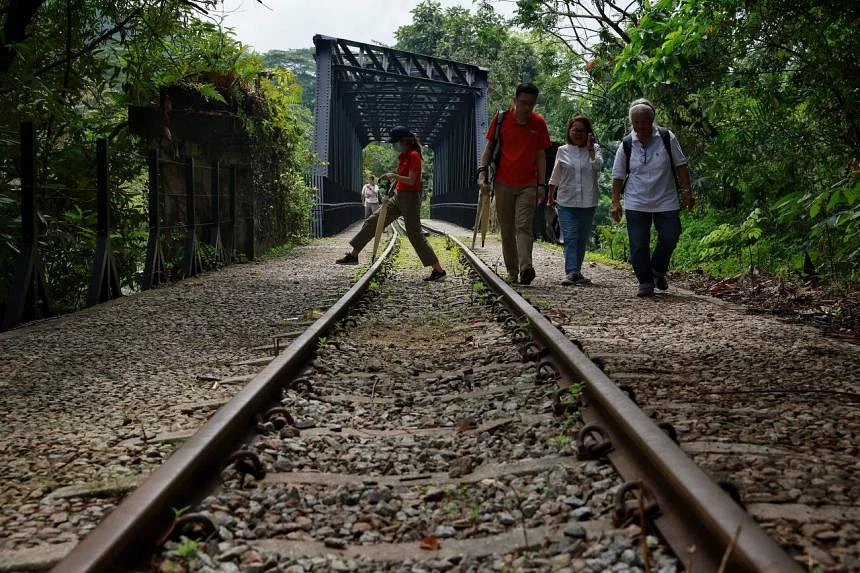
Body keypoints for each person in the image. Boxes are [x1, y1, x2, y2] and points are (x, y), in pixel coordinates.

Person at [336, 126, 446, 282]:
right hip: (398, 197)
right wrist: (392, 189)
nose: (394, 145)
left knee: (415, 235)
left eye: (395, 142)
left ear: (403, 140)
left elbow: (411, 180)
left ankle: (438, 270)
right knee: (372, 221)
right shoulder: (403, 155)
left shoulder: (414, 155)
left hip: (411, 199)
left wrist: (393, 175)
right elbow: (401, 178)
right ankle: (354, 255)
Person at [610, 99, 693, 297]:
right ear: (632, 123)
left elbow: (680, 165)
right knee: (638, 243)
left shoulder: (666, 137)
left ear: (652, 120)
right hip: (636, 200)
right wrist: (615, 202)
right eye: (636, 123)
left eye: (645, 122)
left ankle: (657, 269)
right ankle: (645, 282)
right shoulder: (627, 143)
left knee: (671, 234)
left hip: (666, 197)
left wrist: (687, 190)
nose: (641, 127)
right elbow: (618, 175)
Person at [478, 82, 551, 285]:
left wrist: (541, 185)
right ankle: (512, 270)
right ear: (515, 100)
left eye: (531, 104)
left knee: (523, 226)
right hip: (503, 183)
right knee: (507, 229)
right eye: (523, 102)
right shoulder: (501, 119)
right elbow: (489, 148)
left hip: (528, 184)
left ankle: (526, 266)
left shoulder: (538, 123)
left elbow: (541, 156)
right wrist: (482, 174)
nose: (527, 108)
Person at [547, 115, 602, 286]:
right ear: (569, 132)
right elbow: (556, 175)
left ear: (588, 133)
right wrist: (550, 196)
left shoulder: (595, 149)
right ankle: (571, 271)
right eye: (574, 130)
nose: (577, 133)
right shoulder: (562, 150)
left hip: (588, 201)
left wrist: (591, 149)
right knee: (570, 237)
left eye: (582, 131)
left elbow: (597, 166)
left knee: (581, 238)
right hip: (566, 201)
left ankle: (576, 271)